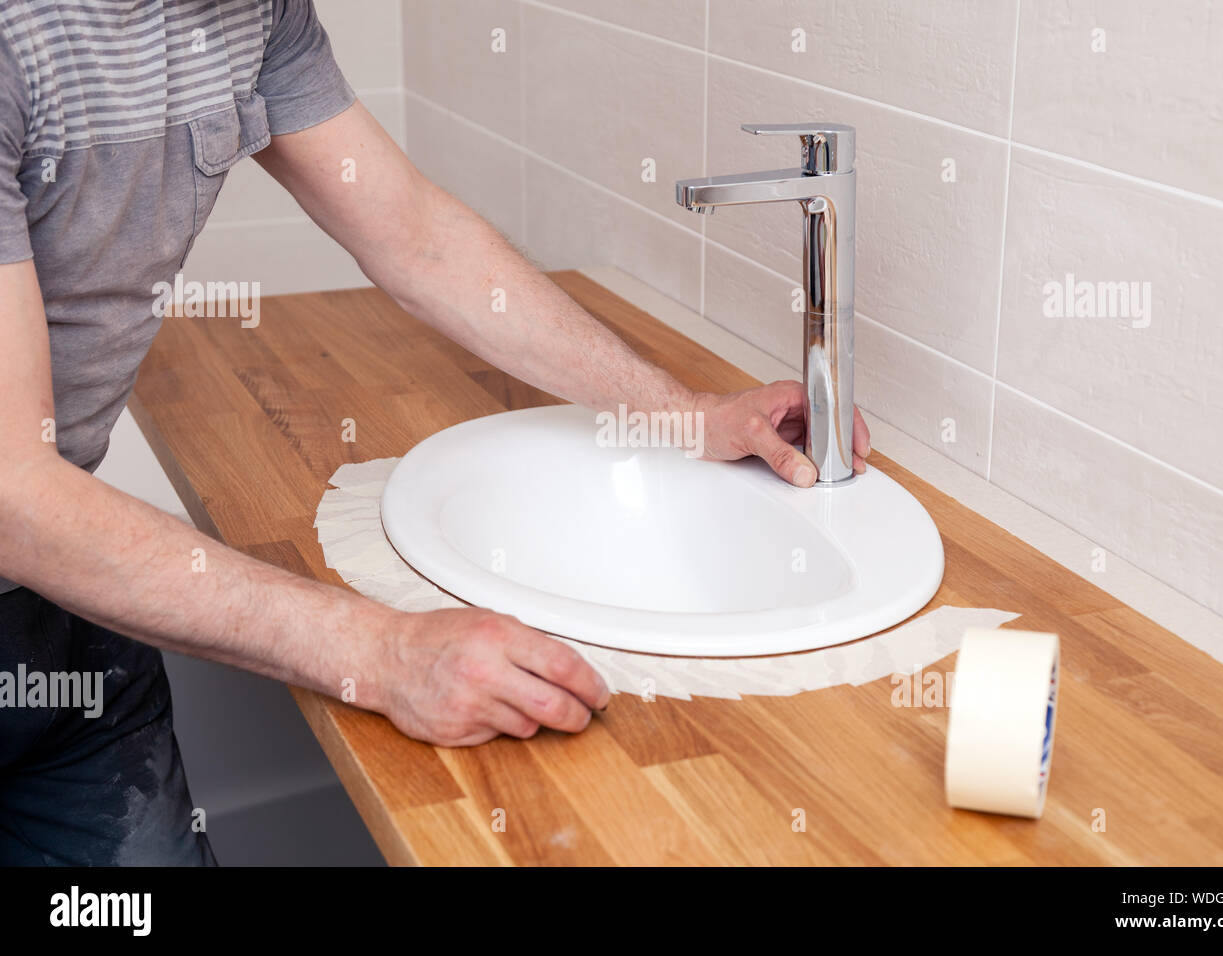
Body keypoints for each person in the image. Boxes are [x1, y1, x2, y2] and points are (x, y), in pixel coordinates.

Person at [0, 0, 871, 865]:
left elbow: (415, 237)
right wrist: (381, 653)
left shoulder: (255, 13)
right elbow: (14, 499)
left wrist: (682, 413)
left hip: (64, 616)